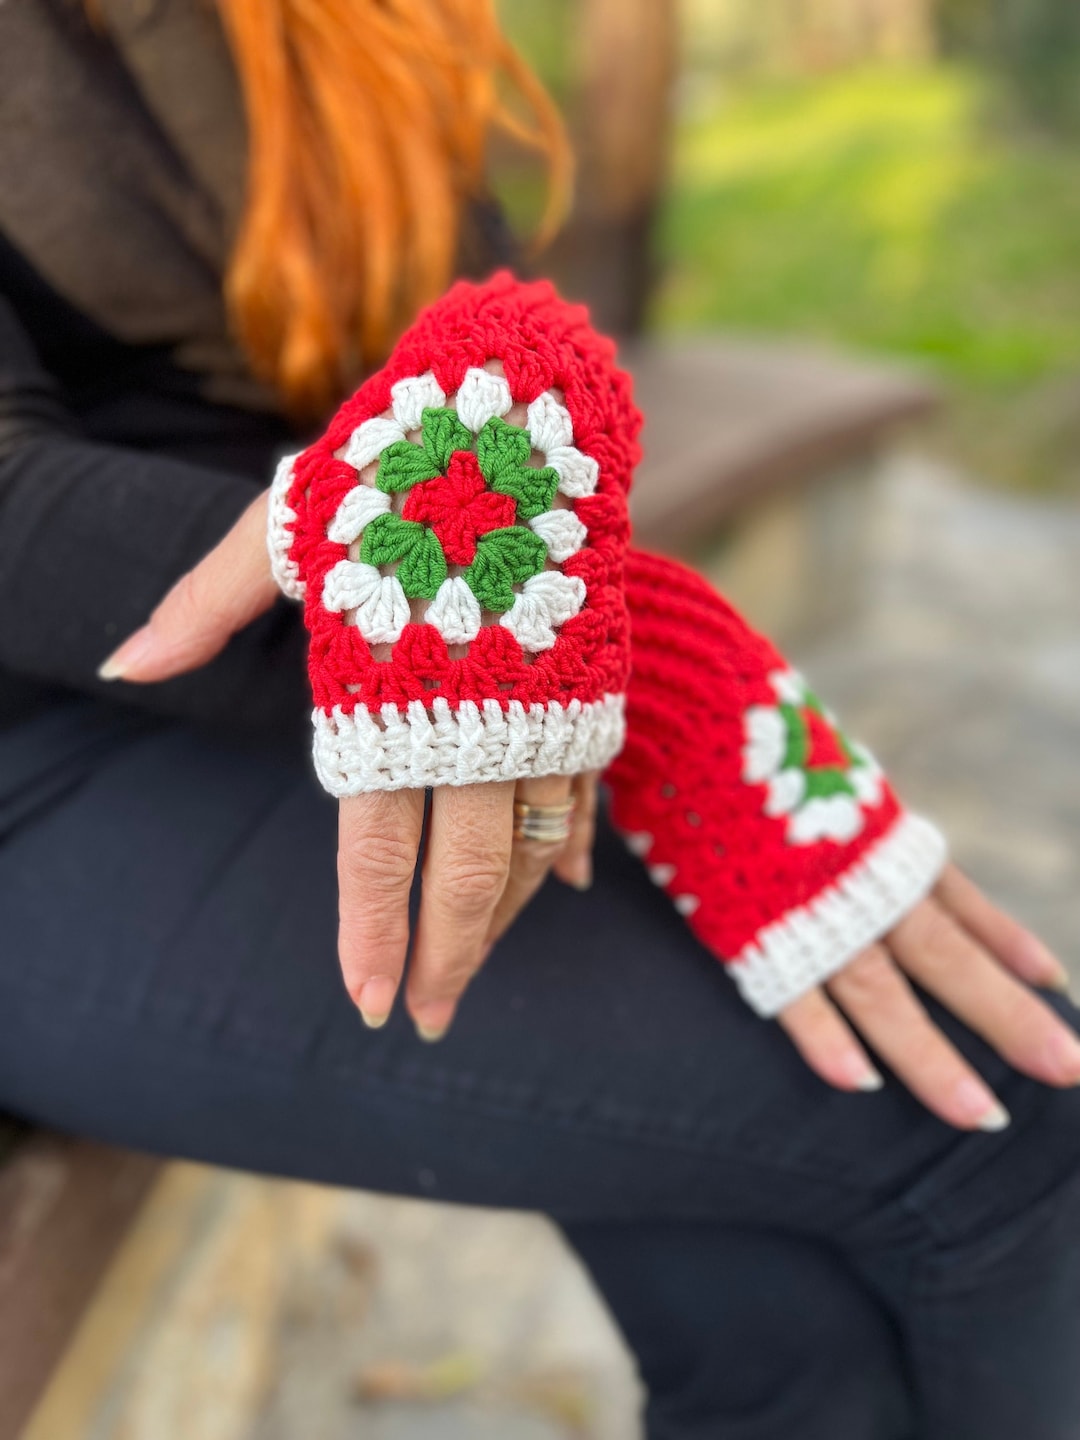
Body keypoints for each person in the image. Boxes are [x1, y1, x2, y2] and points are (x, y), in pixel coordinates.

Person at [1, 5, 1078, 1437]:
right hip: (43, 764)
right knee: (1000, 1135)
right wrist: (630, 670)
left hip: (311, 689)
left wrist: (513, 391)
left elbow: (463, 317)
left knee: (794, 1319)